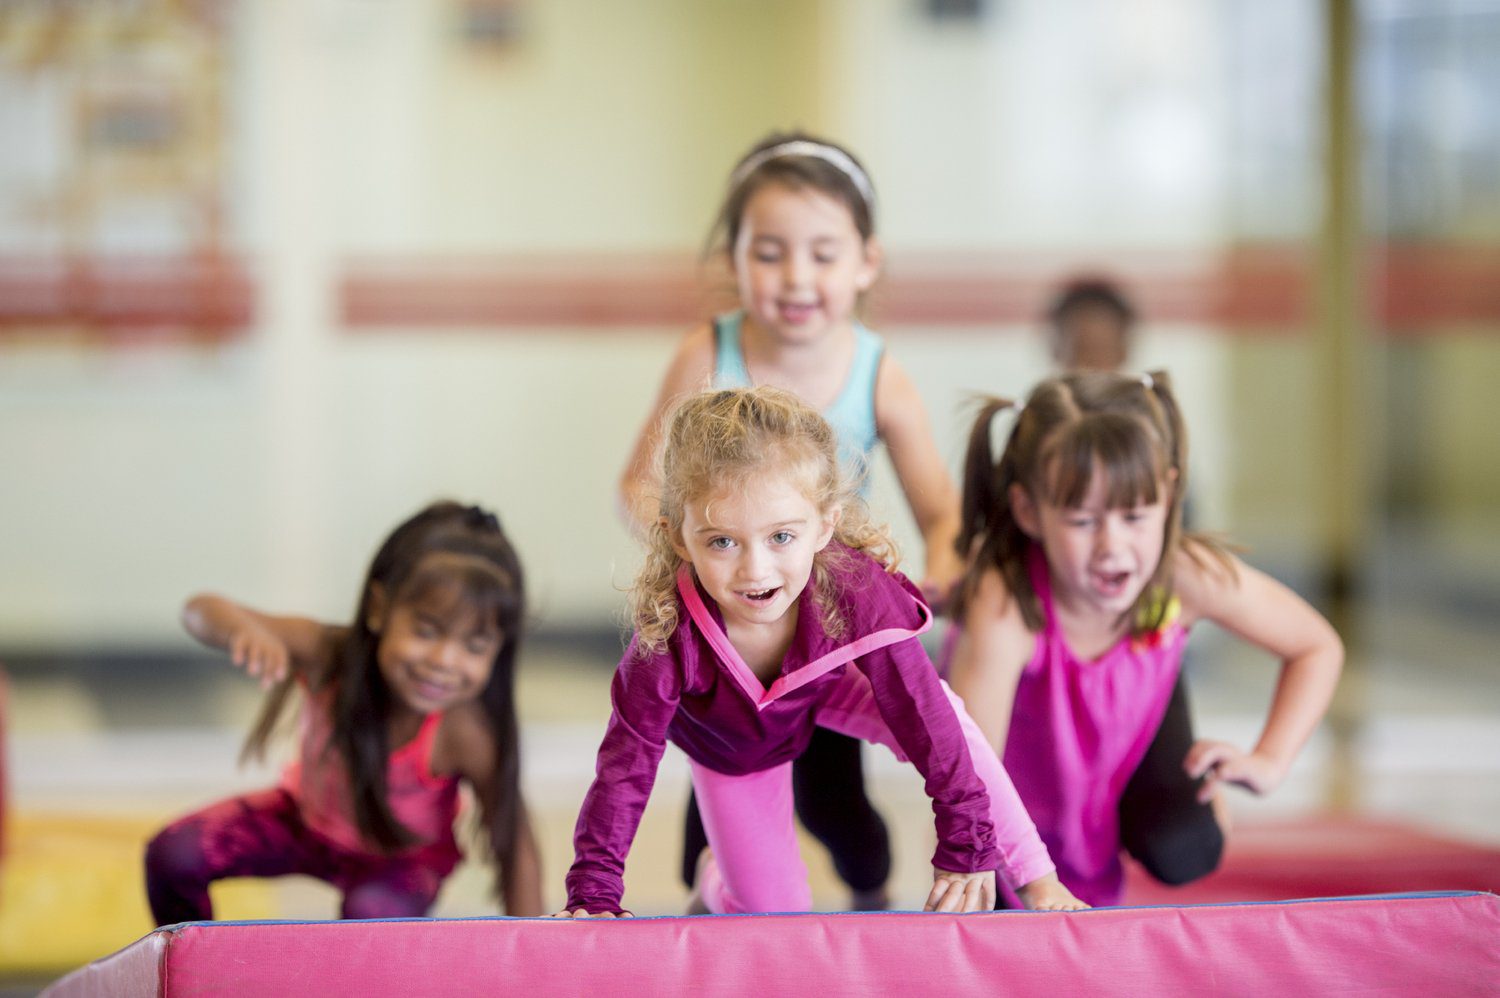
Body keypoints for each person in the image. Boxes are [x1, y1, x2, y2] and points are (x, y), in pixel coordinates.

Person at [559, 387, 1084, 917]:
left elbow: (926, 717)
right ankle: (717, 879)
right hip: (733, 743)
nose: (755, 570)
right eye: (722, 542)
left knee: (949, 711)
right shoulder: (666, 643)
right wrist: (595, 892)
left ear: (824, 526)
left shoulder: (853, 585)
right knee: (775, 914)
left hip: (827, 687)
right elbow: (625, 769)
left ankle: (1039, 881)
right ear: (678, 539)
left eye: (781, 537)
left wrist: (967, 841)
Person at [618, 131, 963, 909]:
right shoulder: (707, 350)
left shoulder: (877, 372)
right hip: (726, 631)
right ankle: (713, 901)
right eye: (769, 252)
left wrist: (938, 568)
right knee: (721, 784)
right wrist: (702, 552)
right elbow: (638, 485)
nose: (796, 276)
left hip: (827, 630)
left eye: (823, 253)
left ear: (866, 262)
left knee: (836, 802)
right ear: (734, 261)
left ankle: (868, 886)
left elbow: (940, 510)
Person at [944, 371, 1343, 907]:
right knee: (1005, 895)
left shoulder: (1183, 574)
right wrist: (1018, 884)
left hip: (1130, 710)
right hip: (1022, 776)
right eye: (1084, 520)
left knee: (1185, 849)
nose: (1113, 546)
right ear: (1029, 512)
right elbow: (969, 773)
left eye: (1135, 516)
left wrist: (1269, 761)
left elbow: (1316, 646)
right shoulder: (1007, 603)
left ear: (1170, 494)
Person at [144, 501, 544, 922]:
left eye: (475, 645)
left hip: (402, 863)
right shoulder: (327, 654)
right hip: (302, 824)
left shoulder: (465, 731)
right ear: (378, 608)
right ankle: (189, 972)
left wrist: (537, 964)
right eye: (427, 630)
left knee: (371, 915)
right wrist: (245, 631)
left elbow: (516, 845)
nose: (445, 659)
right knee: (174, 854)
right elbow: (199, 610)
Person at [1044, 277, 1136, 373]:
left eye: (1103, 352)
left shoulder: (1145, 387)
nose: (1092, 369)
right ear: (1056, 351)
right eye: (1081, 352)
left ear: (1123, 353)